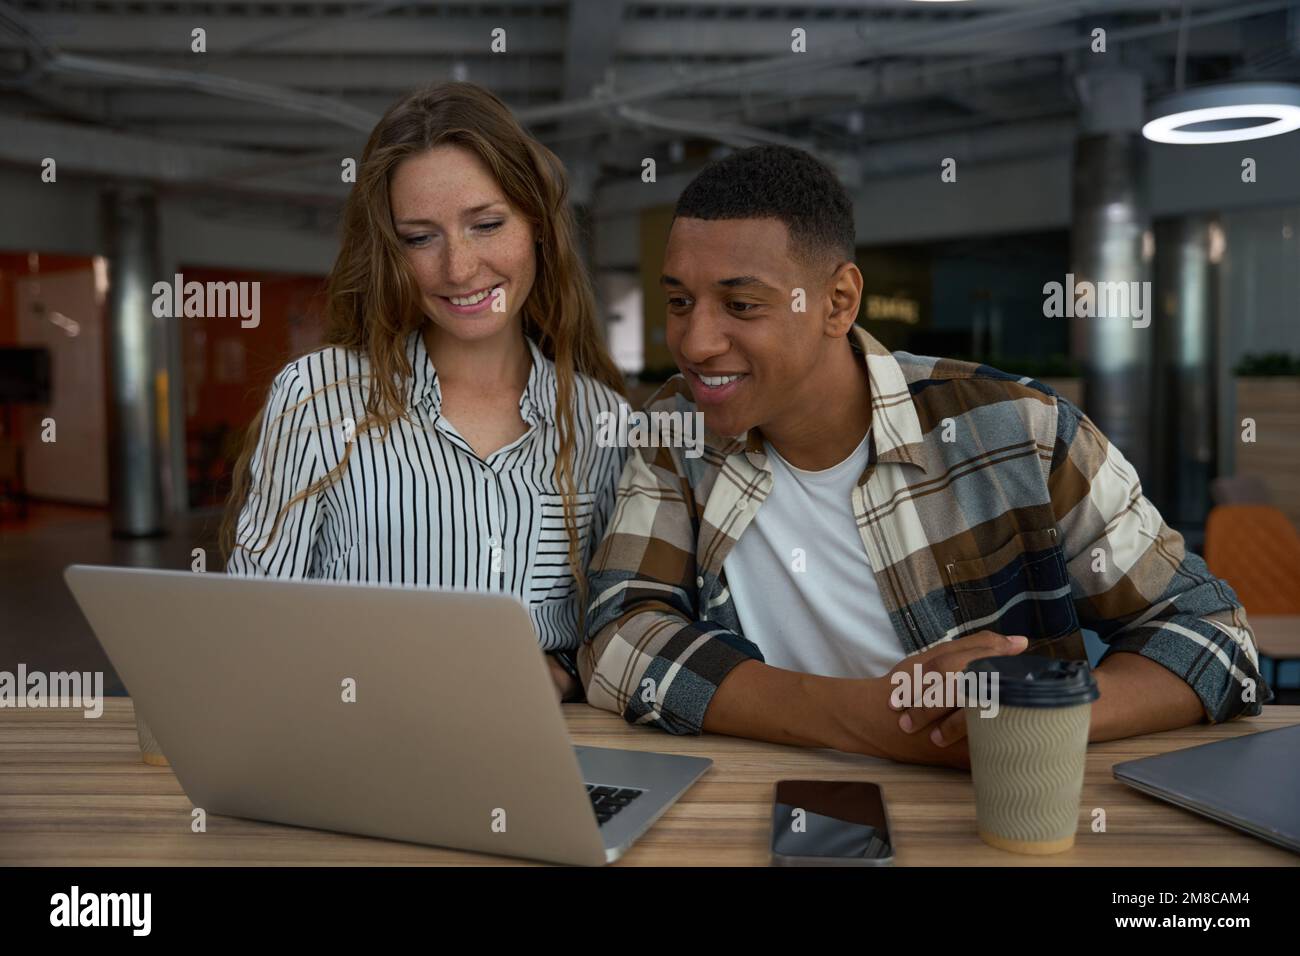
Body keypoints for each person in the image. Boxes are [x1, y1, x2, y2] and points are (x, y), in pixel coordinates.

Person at [579, 144, 1270, 768]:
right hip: (766, 809)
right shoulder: (675, 430)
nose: (696, 342)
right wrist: (859, 716)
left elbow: (1217, 637)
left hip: (996, 820)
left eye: (741, 305)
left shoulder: (1018, 433)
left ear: (838, 302)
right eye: (678, 300)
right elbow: (618, 634)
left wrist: (1036, 716)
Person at [220, 83, 628, 701]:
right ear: (389, 250)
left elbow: (617, 628)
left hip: (535, 761)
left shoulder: (605, 422)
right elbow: (251, 625)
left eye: (486, 224)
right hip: (356, 752)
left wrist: (563, 672)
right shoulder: (317, 398)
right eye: (419, 238)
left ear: (538, 226)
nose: (459, 269)